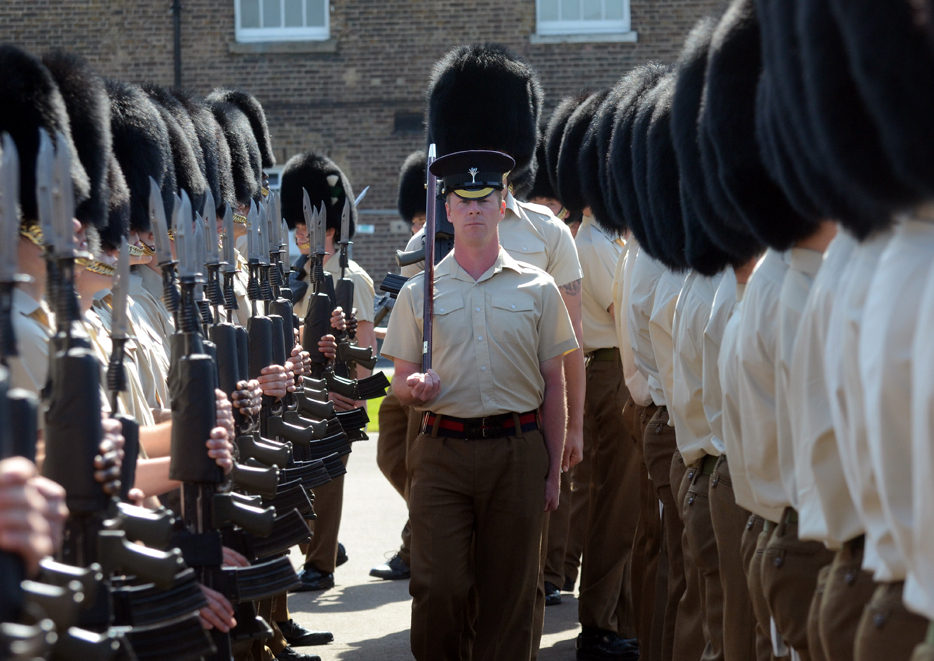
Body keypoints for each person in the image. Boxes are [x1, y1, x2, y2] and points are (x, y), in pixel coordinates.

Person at [382, 150, 577, 661]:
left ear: (503, 204)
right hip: (442, 452)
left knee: (511, 597)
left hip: (517, 452)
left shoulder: (539, 288)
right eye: (462, 200)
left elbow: (553, 384)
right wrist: (413, 389)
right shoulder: (418, 292)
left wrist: (553, 470)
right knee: (438, 587)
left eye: (486, 198)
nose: (474, 209)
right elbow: (399, 382)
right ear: (446, 208)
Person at [370, 149, 427, 582]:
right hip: (414, 365)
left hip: (440, 366)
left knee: (423, 461)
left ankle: (416, 545)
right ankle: (426, 526)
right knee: (394, 452)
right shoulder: (419, 242)